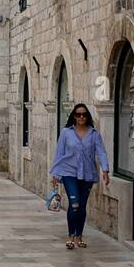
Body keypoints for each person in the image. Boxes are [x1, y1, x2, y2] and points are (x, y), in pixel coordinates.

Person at [50, 102, 111, 251]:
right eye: (78, 114)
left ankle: (79, 236)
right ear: (74, 116)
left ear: (87, 116)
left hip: (88, 174)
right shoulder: (66, 133)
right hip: (69, 173)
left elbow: (101, 152)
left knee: (82, 207)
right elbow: (59, 153)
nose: (81, 117)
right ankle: (71, 235)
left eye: (84, 114)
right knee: (75, 203)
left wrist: (105, 170)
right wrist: (56, 173)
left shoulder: (94, 134)